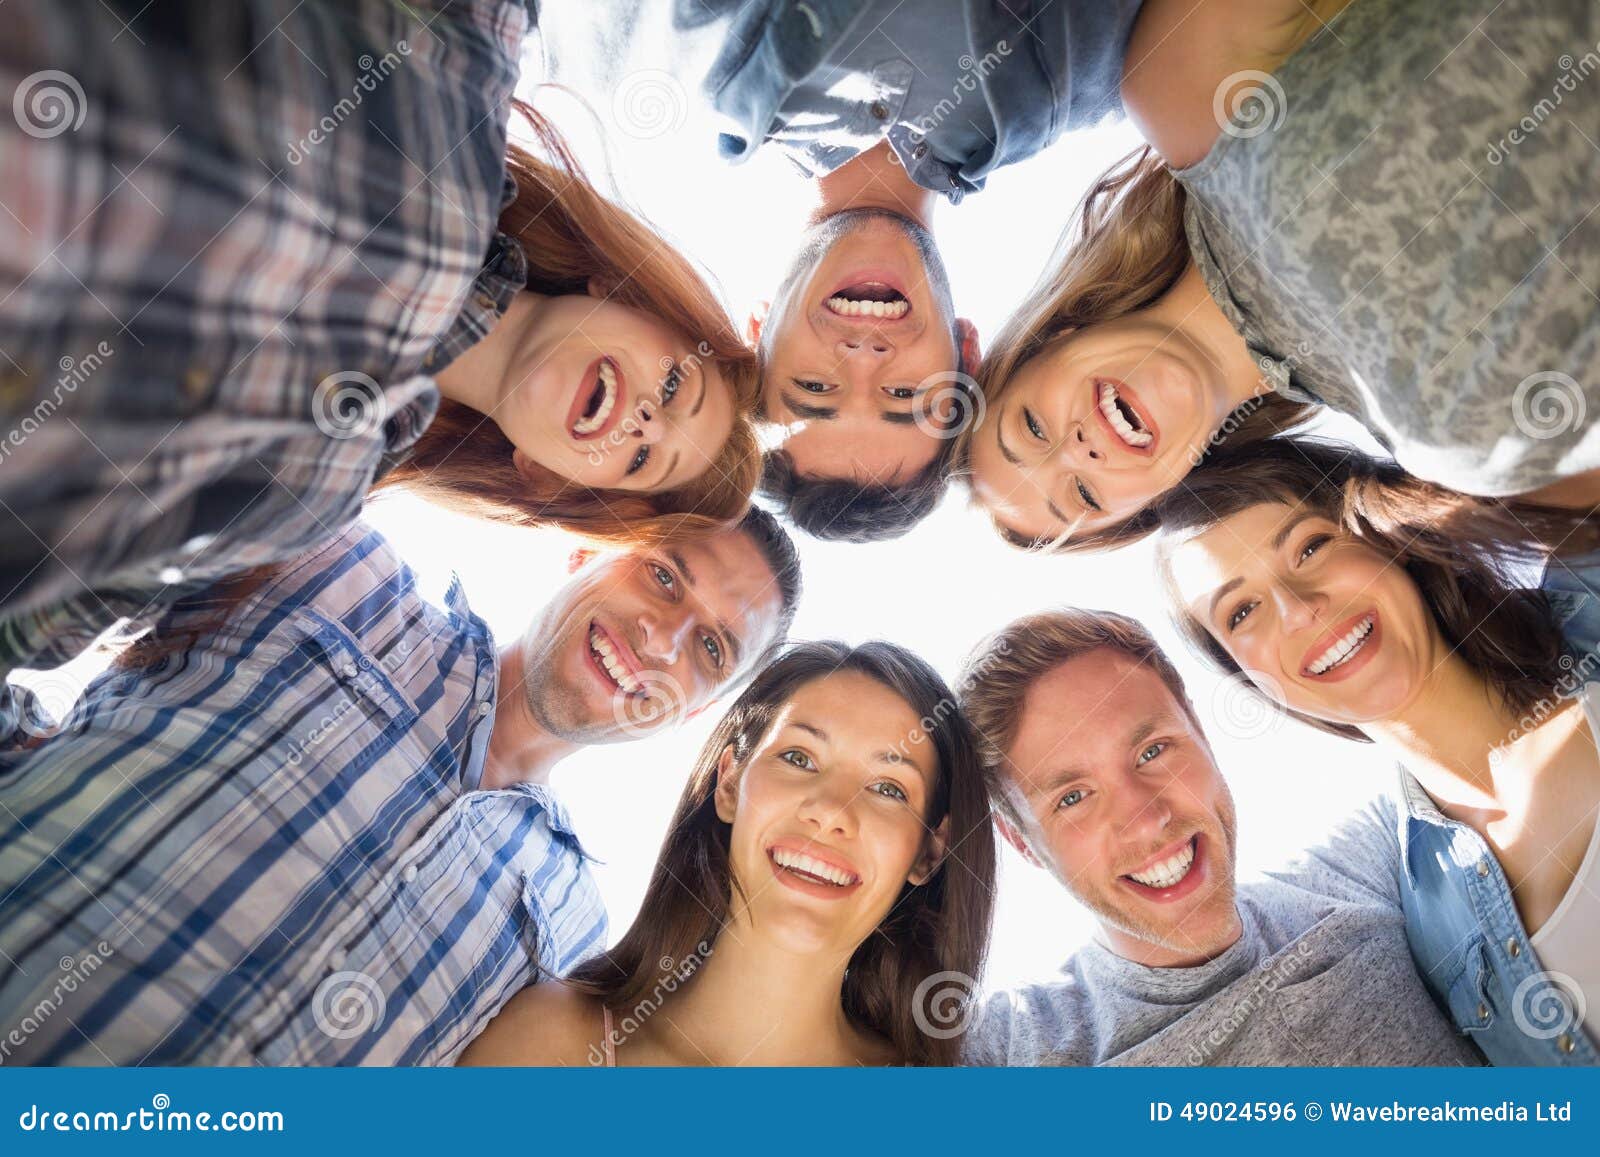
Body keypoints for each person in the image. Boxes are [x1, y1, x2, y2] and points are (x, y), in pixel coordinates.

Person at [0, 4, 759, 693]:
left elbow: (45, 611)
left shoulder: (308, 499)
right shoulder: (459, 78)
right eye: (673, 388)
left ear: (546, 474)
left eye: (641, 459)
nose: (644, 423)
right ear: (618, 290)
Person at [0, 508, 800, 1065]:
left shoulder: (574, 933)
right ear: (583, 550)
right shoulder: (340, 571)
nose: (662, 639)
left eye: (712, 649)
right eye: (662, 576)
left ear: (700, 709)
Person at [965, 0, 1600, 551]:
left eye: (1032, 427)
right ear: (1155, 499)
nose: (1078, 449)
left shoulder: (1177, 92)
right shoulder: (1444, 468)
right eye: (1082, 494)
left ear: (1052, 336)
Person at [536, 1, 1145, 540]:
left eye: (815, 388)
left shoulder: (631, 64)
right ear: (965, 347)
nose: (862, 354)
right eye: (903, 394)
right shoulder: (1101, 73)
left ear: (758, 328)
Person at [1154, 437, 1600, 1064]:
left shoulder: (1587, 605)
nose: (1300, 610)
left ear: (1380, 532)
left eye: (1311, 546)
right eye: (1244, 610)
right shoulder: (1418, 910)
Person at [956, 608, 1481, 1066]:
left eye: (1153, 751)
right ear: (1022, 842)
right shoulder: (1009, 1053)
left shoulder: (1378, 866)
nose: (1146, 819)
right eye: (1073, 797)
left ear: (1200, 733)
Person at [460, 641, 997, 1066]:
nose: (833, 812)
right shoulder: (550, 1046)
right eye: (799, 757)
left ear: (929, 853)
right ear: (728, 784)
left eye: (888, 788)